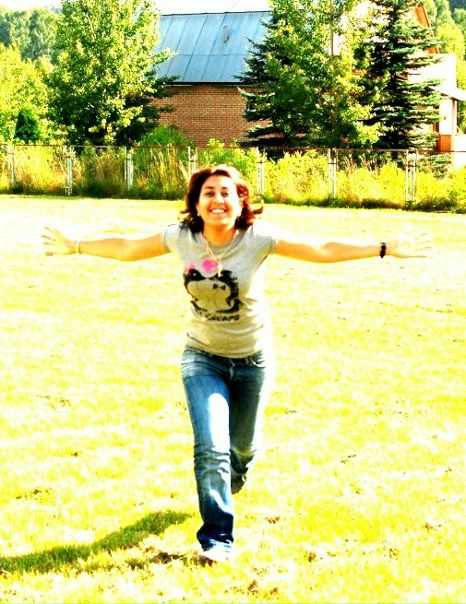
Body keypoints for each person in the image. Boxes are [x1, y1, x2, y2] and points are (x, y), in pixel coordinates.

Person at [42, 164, 430, 564]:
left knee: (241, 447)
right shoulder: (180, 237)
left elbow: (321, 249)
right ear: (196, 203)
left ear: (241, 201)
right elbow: (128, 248)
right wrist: (76, 245)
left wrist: (383, 247)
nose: (218, 200)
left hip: (252, 360)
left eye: (226, 193)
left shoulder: (257, 238)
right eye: (209, 193)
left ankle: (236, 473)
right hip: (202, 358)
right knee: (211, 447)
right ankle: (217, 540)